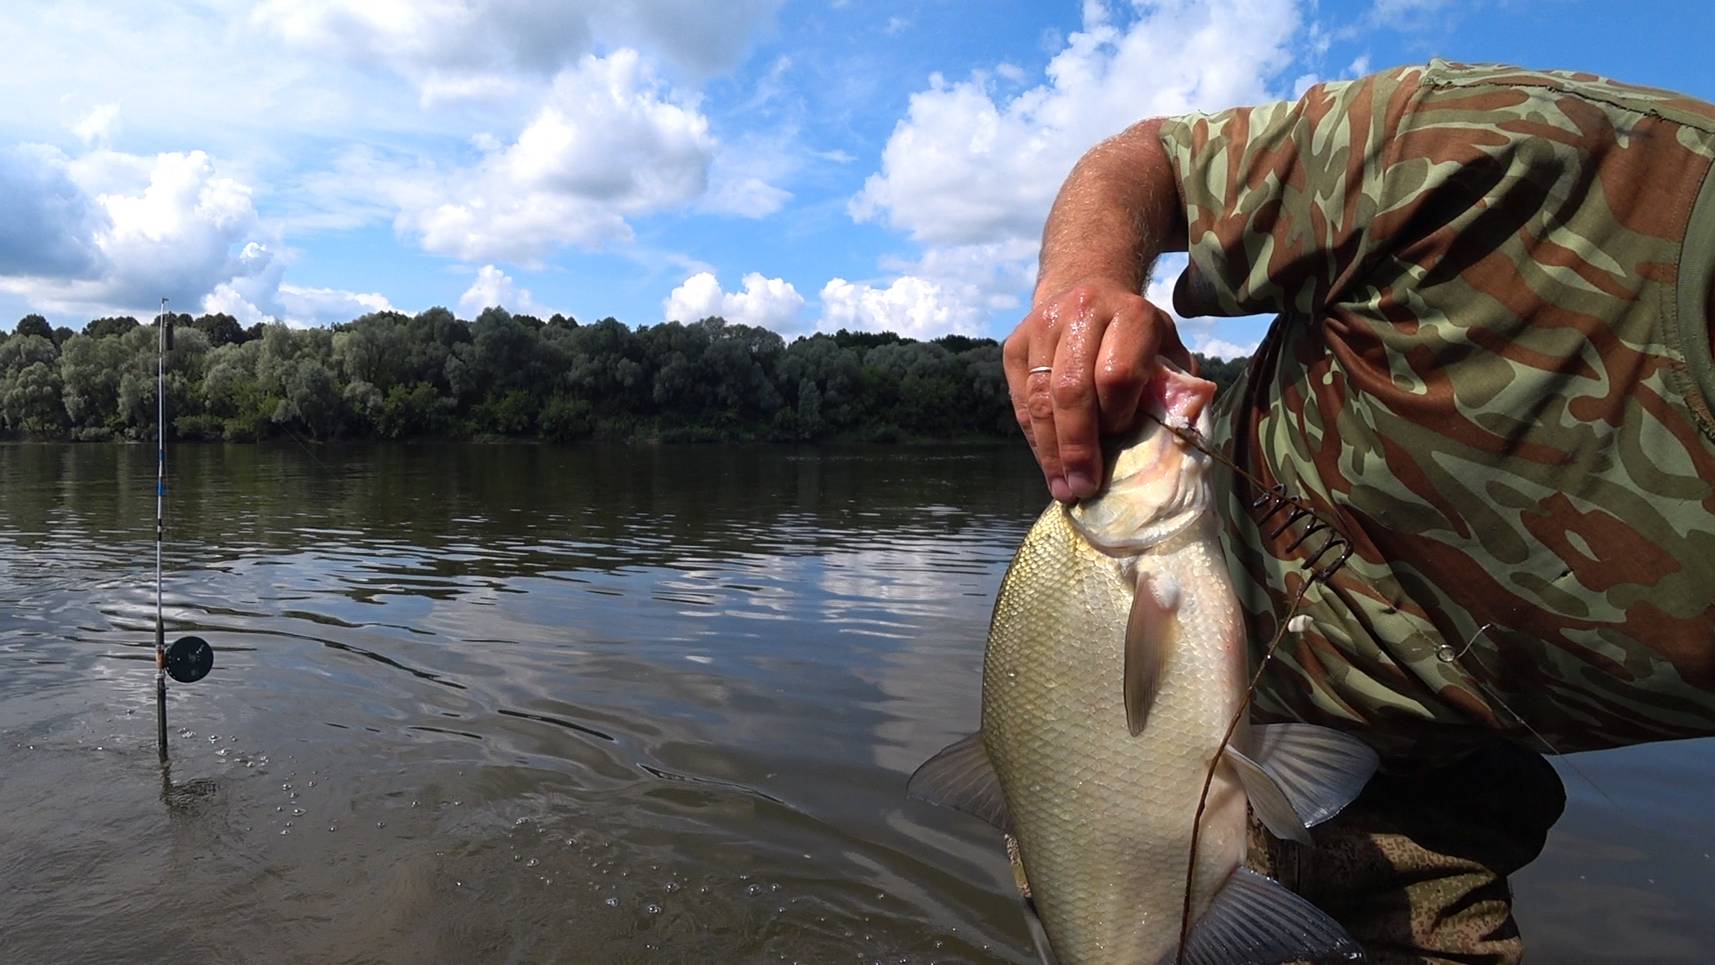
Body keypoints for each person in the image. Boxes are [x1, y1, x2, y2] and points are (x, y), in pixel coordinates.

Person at [1003, 59, 1715, 963]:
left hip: (1436, 805)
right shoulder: (1498, 150)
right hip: (1125, 747)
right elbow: (1153, 162)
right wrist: (1084, 290)